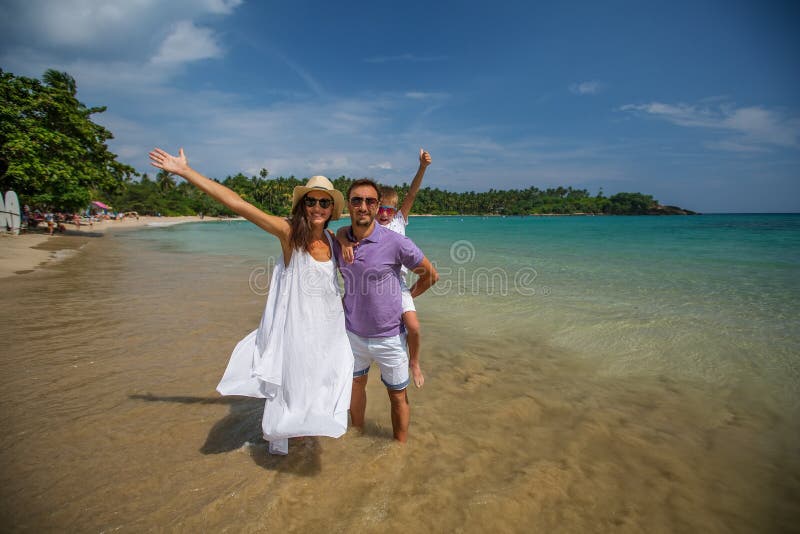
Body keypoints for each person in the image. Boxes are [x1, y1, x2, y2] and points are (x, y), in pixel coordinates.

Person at [148, 147, 353, 456]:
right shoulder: (288, 233)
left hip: (326, 330)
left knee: (324, 382)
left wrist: (347, 242)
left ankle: (303, 437)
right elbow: (238, 204)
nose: (317, 207)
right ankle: (288, 445)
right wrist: (186, 172)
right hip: (296, 329)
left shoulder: (333, 239)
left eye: (324, 202)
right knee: (291, 388)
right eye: (311, 201)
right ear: (303, 204)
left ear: (331, 208)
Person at [335, 178, 439, 443]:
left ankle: (399, 452)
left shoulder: (396, 242)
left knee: (397, 395)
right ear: (349, 204)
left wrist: (405, 296)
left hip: (390, 337)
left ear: (378, 205)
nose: (363, 206)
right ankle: (357, 437)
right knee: (355, 386)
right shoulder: (340, 240)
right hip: (352, 335)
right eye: (357, 200)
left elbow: (430, 275)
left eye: (370, 201)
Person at [337, 149, 432, 388]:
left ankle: (415, 362)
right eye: (382, 211)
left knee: (413, 326)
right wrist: (344, 240)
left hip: (397, 286)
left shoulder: (399, 221)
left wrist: (422, 168)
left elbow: (412, 193)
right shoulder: (367, 226)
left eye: (390, 210)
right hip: (372, 286)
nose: (386, 215)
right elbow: (340, 231)